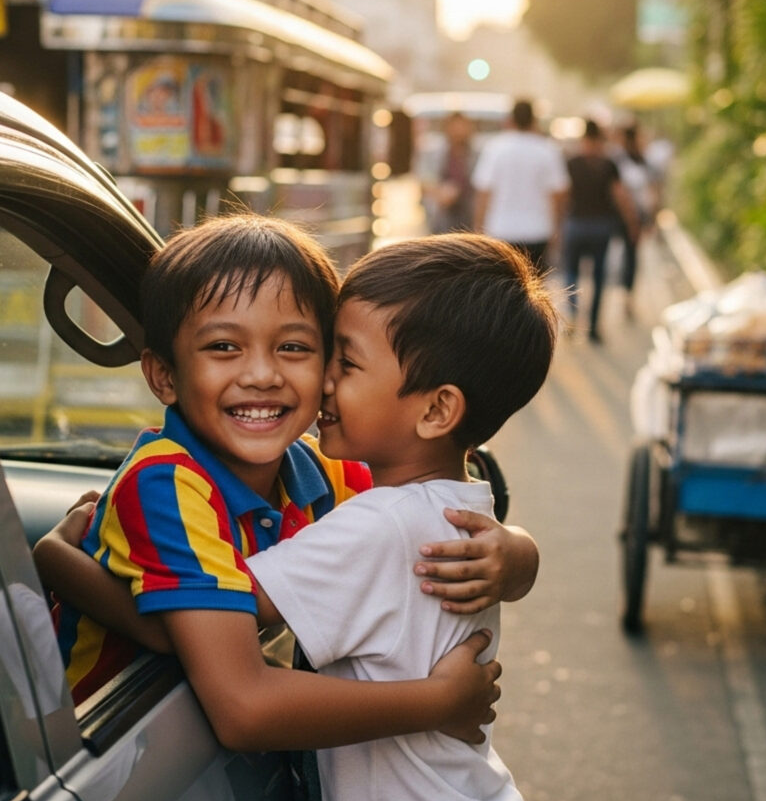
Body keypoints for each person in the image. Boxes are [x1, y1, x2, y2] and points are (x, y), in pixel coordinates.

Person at [34, 215, 540, 758]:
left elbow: (432, 494)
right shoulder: (167, 486)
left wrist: (514, 554)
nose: (262, 375)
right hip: (71, 745)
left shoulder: (328, 470)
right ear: (164, 376)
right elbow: (191, 651)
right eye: (224, 347)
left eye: (295, 348)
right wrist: (437, 702)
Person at [236, 233, 556, 801]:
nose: (320, 378)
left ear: (438, 409)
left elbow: (207, 610)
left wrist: (63, 563)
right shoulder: (460, 502)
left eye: (346, 365)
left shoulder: (380, 526)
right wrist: (523, 552)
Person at [471, 98, 569, 273]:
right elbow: (558, 194)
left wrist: (478, 230)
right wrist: (557, 229)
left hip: (500, 231)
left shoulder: (495, 149)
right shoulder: (547, 150)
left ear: (511, 119)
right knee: (534, 289)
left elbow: (483, 193)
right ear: (533, 120)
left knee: (502, 290)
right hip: (538, 231)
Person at [562, 118, 639, 343]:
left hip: (576, 224)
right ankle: (594, 327)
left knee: (571, 275)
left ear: (583, 138)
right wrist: (631, 222)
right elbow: (620, 196)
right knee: (598, 277)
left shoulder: (572, 162)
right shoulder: (608, 164)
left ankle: (572, 318)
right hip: (601, 226)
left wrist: (557, 224)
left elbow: (563, 195)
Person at [610, 118, 661, 315]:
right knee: (625, 256)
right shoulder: (619, 159)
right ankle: (624, 294)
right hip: (622, 215)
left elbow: (652, 189)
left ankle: (626, 296)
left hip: (635, 215)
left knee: (630, 256)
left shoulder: (639, 160)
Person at [419, 110, 477, 234]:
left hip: (469, 214)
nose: (459, 131)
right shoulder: (433, 153)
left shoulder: (477, 154)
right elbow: (424, 181)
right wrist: (441, 192)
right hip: (442, 216)